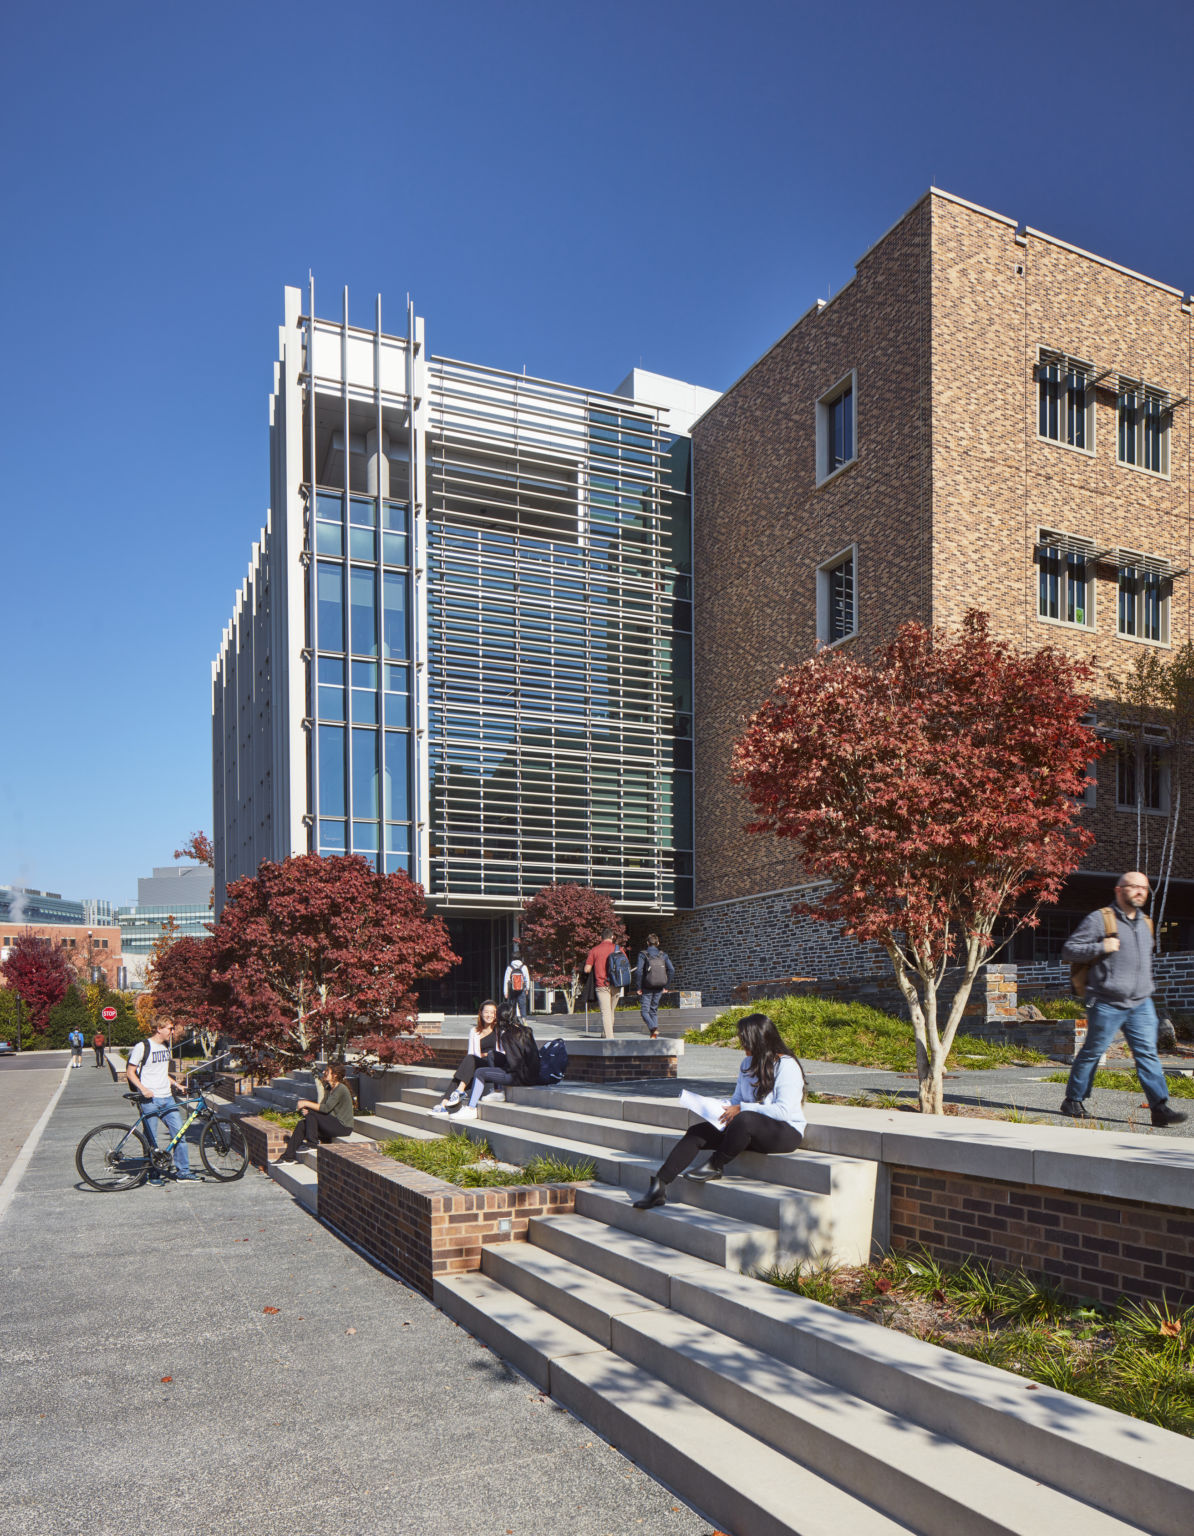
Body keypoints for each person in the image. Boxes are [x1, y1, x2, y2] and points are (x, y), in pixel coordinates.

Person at [634, 1013, 806, 1209]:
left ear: (759, 1039)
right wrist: (710, 1106)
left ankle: (715, 1166)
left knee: (745, 1119)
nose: (742, 1044)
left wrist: (741, 1109)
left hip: (784, 1132)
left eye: (745, 1039)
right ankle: (659, 1186)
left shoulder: (787, 1066)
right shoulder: (747, 1064)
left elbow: (784, 1111)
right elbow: (736, 1100)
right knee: (697, 1132)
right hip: (747, 1130)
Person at [1059, 872, 1187, 1127]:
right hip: (1106, 1000)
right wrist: (1102, 947)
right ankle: (1073, 1100)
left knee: (1148, 1053)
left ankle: (1159, 1107)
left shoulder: (1146, 923)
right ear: (1119, 890)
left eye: (1144, 888)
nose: (1140, 891)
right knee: (1093, 1052)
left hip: (1141, 1002)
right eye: (1134, 887)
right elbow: (1069, 949)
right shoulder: (1100, 919)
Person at [127, 1020, 198, 1181]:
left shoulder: (165, 1047)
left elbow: (161, 1073)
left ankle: (183, 1171)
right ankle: (153, 1173)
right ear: (159, 1029)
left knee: (179, 1134)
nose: (172, 1032)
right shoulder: (142, 1047)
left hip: (168, 1098)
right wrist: (143, 1089)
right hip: (150, 1100)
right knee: (152, 1139)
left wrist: (176, 1084)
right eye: (170, 1029)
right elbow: (130, 1072)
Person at [453, 1002, 540, 1120]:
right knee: (492, 1054)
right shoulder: (527, 1030)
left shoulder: (507, 1035)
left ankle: (471, 1108)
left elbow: (514, 1063)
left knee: (480, 1072)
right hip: (532, 1074)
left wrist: (502, 1071)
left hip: (518, 1077)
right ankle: (497, 1091)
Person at [432, 1000, 500, 1115]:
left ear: (496, 1014)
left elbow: (500, 1053)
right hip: (476, 1064)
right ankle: (444, 1103)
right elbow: (472, 1053)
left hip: (491, 1066)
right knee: (464, 1068)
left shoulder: (499, 1031)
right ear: (481, 1013)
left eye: (492, 1012)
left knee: (467, 1065)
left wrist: (486, 1055)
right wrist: (481, 1056)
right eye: (486, 1012)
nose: (489, 1015)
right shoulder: (474, 1031)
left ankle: (459, 1091)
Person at [279, 1062, 355, 1162]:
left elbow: (326, 1108)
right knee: (302, 1124)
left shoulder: (341, 1089)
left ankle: (312, 1144)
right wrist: (309, 1109)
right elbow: (323, 1108)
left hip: (343, 1127)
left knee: (312, 1113)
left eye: (327, 1071)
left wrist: (306, 1103)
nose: (324, 1072)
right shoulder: (329, 1088)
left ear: (335, 1075)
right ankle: (287, 1157)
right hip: (332, 1123)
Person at [583, 927, 625, 1040]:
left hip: (601, 985)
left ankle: (610, 1038)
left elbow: (587, 969)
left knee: (605, 1012)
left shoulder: (594, 950)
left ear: (601, 938)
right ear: (612, 937)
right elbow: (625, 965)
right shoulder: (619, 949)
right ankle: (605, 1033)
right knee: (611, 1011)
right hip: (616, 984)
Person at [635, 934, 675, 1039]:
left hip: (647, 986)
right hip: (659, 986)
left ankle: (653, 1028)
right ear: (657, 943)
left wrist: (638, 987)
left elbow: (638, 971)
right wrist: (666, 986)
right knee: (653, 1010)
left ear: (647, 942)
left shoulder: (643, 954)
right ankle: (654, 1036)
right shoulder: (663, 955)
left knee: (644, 1011)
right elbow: (671, 970)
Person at [503, 945, 533, 1020]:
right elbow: (527, 978)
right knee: (522, 1005)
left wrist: (505, 992)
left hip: (512, 990)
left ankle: (513, 1020)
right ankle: (524, 1019)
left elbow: (506, 980)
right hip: (521, 989)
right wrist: (527, 989)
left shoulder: (509, 967)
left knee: (512, 1005)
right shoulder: (523, 967)